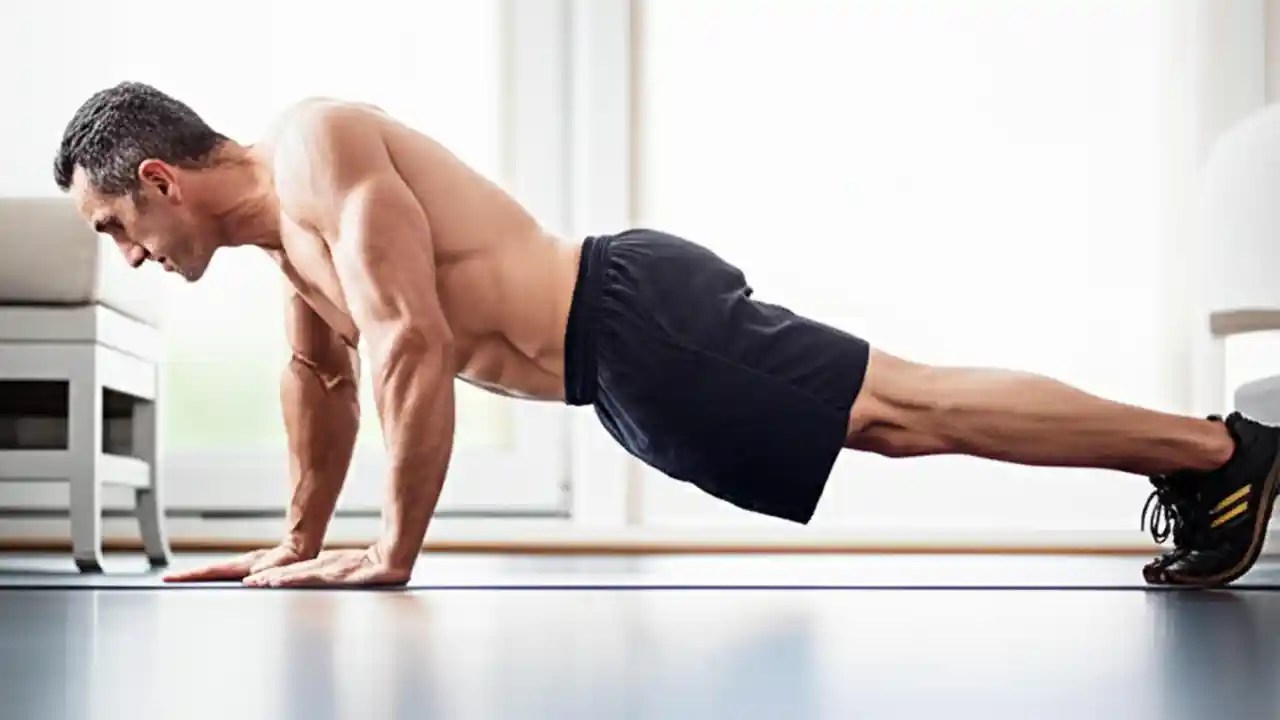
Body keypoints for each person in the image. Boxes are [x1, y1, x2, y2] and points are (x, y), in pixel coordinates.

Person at [53, 82, 1279, 589]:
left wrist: (389, 550)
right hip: (622, 370)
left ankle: (1217, 452)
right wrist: (294, 537)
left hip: (630, 318)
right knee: (900, 422)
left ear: (159, 177)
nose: (129, 256)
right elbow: (319, 376)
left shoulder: (320, 145)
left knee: (905, 409)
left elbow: (408, 342)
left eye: (119, 225)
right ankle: (1203, 454)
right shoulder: (286, 246)